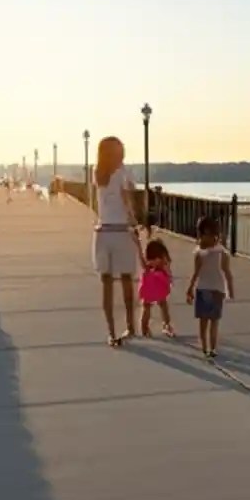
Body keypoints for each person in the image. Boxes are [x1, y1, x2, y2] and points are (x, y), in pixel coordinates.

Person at [93, 135, 144, 347]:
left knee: (106, 284)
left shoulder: (97, 173)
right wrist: (134, 222)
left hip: (103, 231)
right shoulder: (123, 173)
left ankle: (111, 331)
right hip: (121, 231)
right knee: (126, 281)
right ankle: (131, 326)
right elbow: (127, 200)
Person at [186, 216, 235, 361]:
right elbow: (227, 272)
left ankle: (206, 347)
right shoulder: (222, 253)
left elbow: (196, 273)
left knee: (205, 321)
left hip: (204, 289)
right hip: (217, 290)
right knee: (213, 321)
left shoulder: (199, 253)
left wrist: (190, 289)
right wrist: (230, 289)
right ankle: (212, 349)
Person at [138, 238, 176, 338]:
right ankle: (166, 324)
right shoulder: (162, 260)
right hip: (159, 284)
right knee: (163, 305)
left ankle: (144, 328)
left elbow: (142, 263)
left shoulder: (148, 263)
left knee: (146, 307)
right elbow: (168, 269)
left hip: (148, 285)